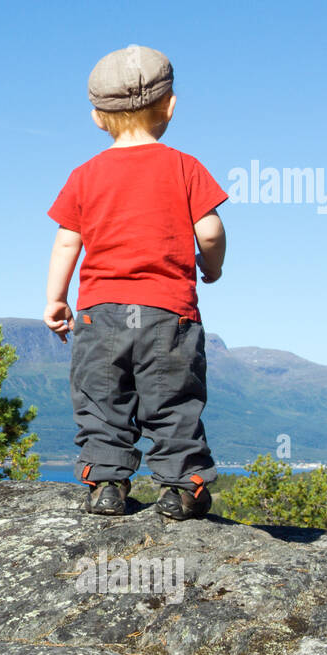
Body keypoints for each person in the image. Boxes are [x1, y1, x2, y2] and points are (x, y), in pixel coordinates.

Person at [44, 44, 227, 519]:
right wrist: (212, 267)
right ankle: (182, 488)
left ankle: (107, 485)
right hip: (168, 312)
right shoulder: (185, 166)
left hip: (99, 311)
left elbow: (68, 242)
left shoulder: (85, 175)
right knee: (173, 401)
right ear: (169, 106)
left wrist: (56, 299)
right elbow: (209, 230)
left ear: (97, 118)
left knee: (102, 400)